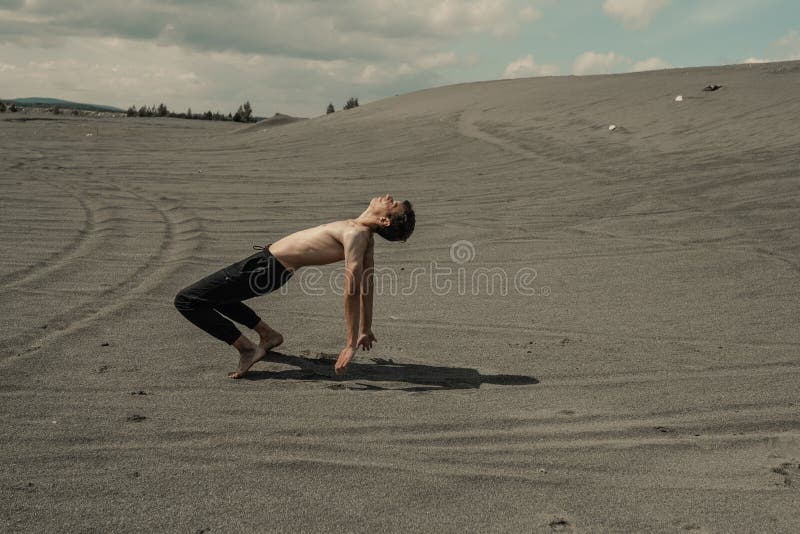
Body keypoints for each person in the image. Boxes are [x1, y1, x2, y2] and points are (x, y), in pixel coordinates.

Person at [174, 195, 415, 379]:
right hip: (267, 267)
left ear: (384, 220)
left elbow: (355, 287)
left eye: (393, 205)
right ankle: (268, 335)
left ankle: (246, 348)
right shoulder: (361, 233)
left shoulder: (357, 235)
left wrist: (351, 343)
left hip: (265, 269)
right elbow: (368, 283)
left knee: (187, 300)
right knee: (213, 297)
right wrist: (366, 328)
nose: (390, 198)